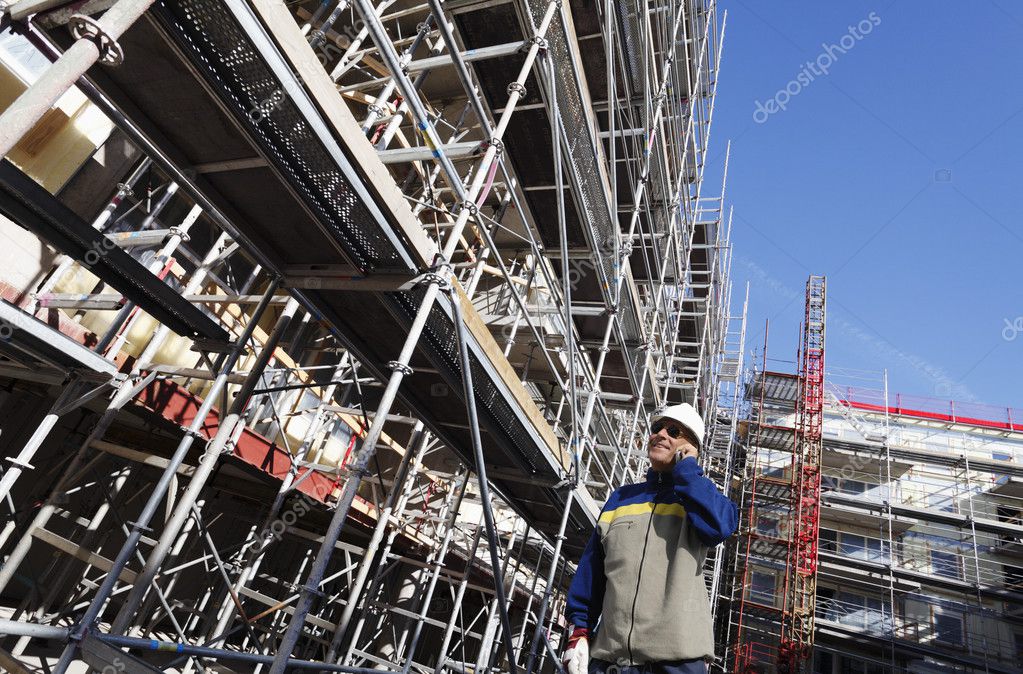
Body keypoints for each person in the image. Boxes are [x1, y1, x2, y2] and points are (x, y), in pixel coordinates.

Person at [562, 403, 738, 674]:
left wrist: (688, 471)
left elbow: (721, 526)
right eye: (657, 428)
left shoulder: (697, 498)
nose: (661, 434)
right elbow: (592, 571)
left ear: (690, 448)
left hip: (676, 665)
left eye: (674, 430)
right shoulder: (621, 498)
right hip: (611, 663)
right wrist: (579, 632)